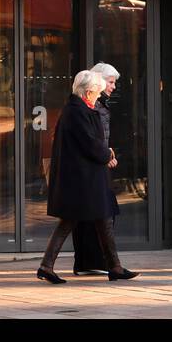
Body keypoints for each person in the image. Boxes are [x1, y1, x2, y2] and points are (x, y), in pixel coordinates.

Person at [37, 70, 139, 284]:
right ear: (87, 92)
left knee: (99, 220)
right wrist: (107, 154)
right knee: (78, 220)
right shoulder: (77, 112)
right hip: (83, 180)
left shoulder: (79, 109)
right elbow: (90, 144)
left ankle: (114, 267)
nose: (98, 96)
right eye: (96, 93)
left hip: (86, 178)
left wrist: (104, 152)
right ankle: (48, 266)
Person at [72, 62, 120, 276]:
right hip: (93, 167)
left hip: (96, 164)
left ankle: (99, 262)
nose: (113, 87)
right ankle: (99, 262)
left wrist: (106, 152)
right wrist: (105, 155)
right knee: (100, 213)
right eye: (110, 82)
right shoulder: (90, 108)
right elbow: (92, 139)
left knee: (96, 214)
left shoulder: (96, 106)